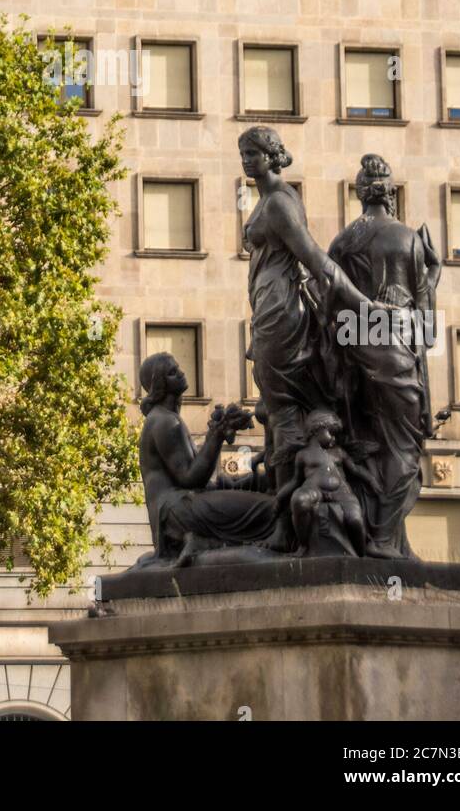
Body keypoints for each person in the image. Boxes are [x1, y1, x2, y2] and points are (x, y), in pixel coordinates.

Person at [238, 126, 375, 548]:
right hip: (268, 310)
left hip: (282, 315)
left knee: (282, 413)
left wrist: (363, 307)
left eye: (254, 153)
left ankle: (286, 529)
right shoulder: (267, 200)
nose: (246, 160)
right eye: (243, 153)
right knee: (282, 413)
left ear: (272, 155)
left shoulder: (279, 202)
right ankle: (287, 524)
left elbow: (314, 258)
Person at [327, 153, 438, 558]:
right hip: (397, 357)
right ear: (391, 196)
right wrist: (433, 273)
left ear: (361, 196)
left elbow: (331, 305)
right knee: (405, 451)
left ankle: (384, 539)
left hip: (354, 359)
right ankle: (382, 539)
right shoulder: (409, 239)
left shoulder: (343, 241)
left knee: (369, 450)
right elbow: (424, 323)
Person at [137, 352, 276, 565]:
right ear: (159, 384)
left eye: (178, 369)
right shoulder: (165, 422)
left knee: (263, 498)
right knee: (270, 510)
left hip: (183, 505)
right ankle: (206, 544)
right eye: (173, 373)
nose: (182, 374)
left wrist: (242, 483)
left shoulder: (169, 419)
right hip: (177, 512)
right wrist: (218, 434)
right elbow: (191, 479)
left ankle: (202, 543)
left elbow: (199, 481)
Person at [274, 410, 379, 558]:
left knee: (354, 519)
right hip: (313, 489)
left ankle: (361, 554)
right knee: (299, 500)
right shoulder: (303, 455)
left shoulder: (338, 452)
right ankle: (303, 545)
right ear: (317, 430)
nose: (334, 438)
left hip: (341, 491)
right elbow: (295, 481)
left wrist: (371, 479)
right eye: (331, 433)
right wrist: (279, 497)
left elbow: (355, 469)